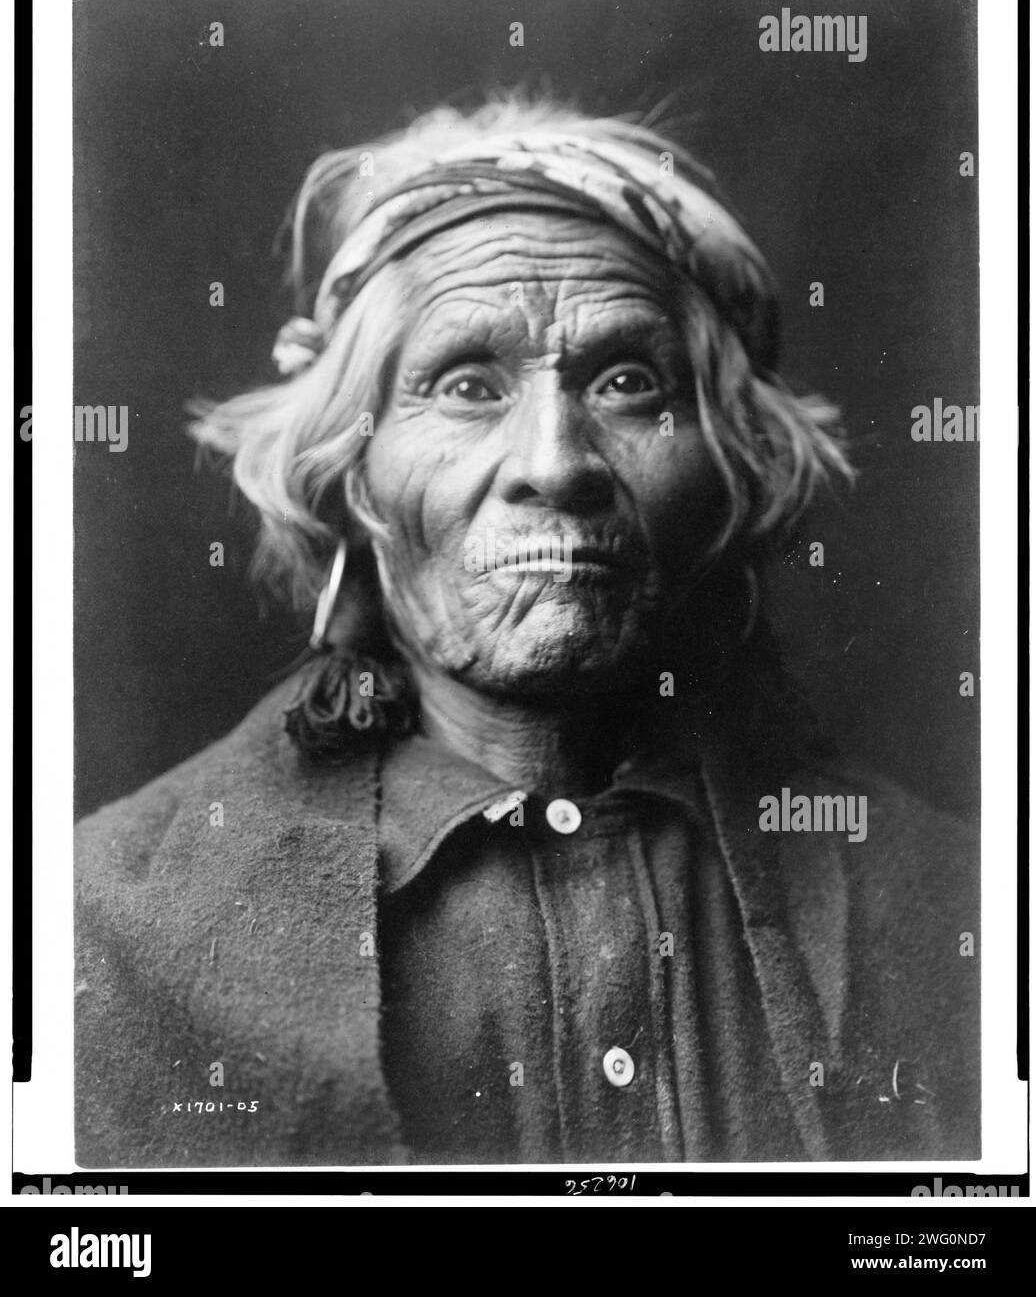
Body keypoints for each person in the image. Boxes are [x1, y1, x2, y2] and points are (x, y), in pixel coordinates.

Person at [75, 96, 978, 1167]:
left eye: (629, 382)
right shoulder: (103, 929)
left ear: (735, 467)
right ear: (347, 471)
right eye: (465, 385)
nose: (556, 461)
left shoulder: (951, 911)